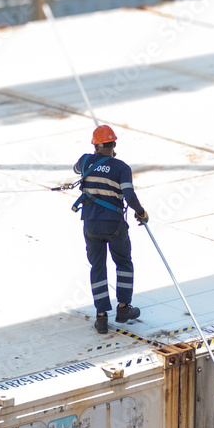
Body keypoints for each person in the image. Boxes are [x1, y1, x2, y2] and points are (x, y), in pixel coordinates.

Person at [73, 125, 148, 334]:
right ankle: (124, 309)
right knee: (123, 263)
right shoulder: (122, 168)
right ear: (114, 144)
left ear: (95, 146)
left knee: (97, 267)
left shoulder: (86, 160)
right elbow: (129, 196)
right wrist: (140, 211)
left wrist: (94, 161)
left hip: (91, 224)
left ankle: (102, 317)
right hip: (114, 224)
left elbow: (76, 169)